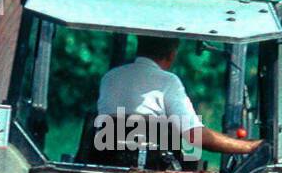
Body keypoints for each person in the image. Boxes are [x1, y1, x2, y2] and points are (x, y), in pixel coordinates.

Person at [96, 35, 263, 159]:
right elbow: (193, 135)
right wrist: (249, 146)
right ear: (171, 54)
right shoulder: (168, 81)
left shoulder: (110, 77)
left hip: (104, 159)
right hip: (151, 167)